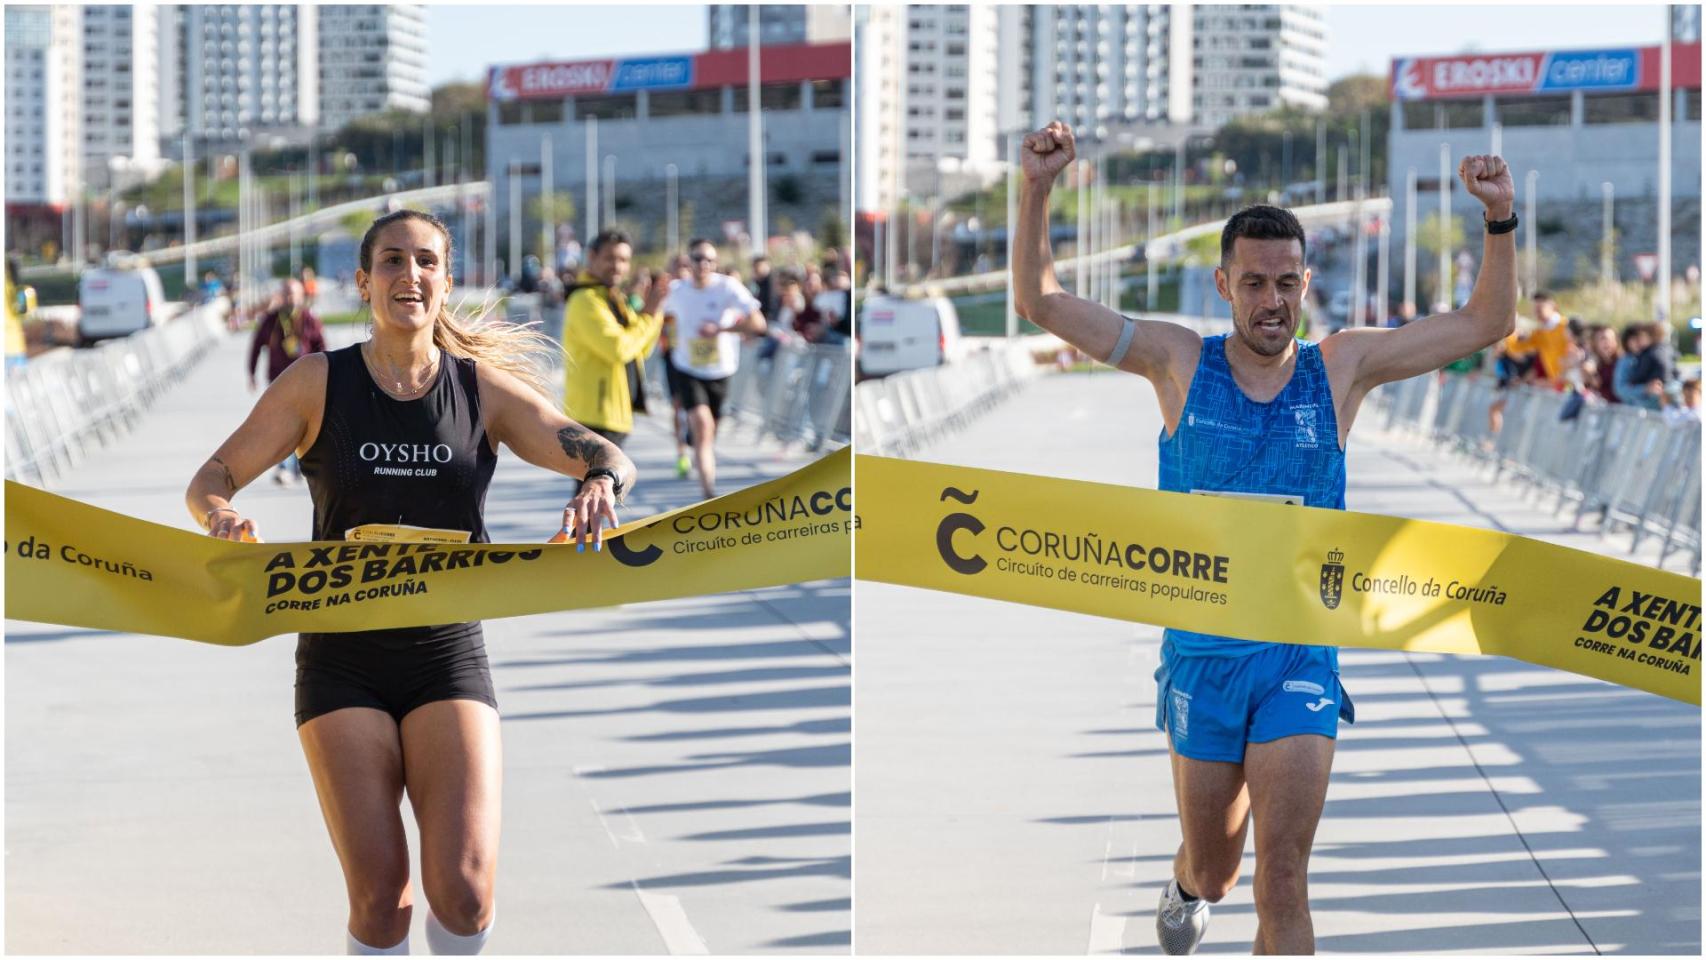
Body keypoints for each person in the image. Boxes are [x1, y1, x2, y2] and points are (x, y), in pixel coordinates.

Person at [1010, 121, 1517, 955]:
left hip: (1297, 656)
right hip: (1202, 659)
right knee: (1218, 873)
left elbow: (1484, 322)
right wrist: (1037, 189)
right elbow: (1042, 304)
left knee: (1283, 879)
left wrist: (1498, 219)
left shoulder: (1343, 367)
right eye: (1254, 283)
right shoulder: (1178, 363)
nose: (1273, 301)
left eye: (1287, 282)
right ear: (1224, 285)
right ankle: (1186, 882)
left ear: (1307, 282)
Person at [185, 209, 633, 956]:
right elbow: (213, 475)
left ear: (447, 282)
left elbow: (607, 455)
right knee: (382, 903)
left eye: (427, 261)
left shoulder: (479, 391)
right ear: (364, 282)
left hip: (445, 653)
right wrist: (219, 513)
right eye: (392, 261)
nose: (411, 275)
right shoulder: (317, 382)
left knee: (463, 892)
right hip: (341, 657)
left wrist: (600, 486)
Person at [661, 238, 766, 498]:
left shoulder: (728, 287)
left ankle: (698, 450)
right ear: (689, 261)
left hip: (721, 369)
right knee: (703, 425)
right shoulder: (677, 290)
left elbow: (758, 324)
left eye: (710, 259)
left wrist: (721, 329)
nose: (703, 264)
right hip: (687, 367)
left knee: (710, 432)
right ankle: (708, 492)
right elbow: (654, 315)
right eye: (698, 258)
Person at [561, 228, 668, 457]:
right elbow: (618, 349)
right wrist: (648, 316)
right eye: (610, 258)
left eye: (624, 260)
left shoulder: (612, 296)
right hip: (594, 416)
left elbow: (640, 349)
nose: (617, 266)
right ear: (592, 257)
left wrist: (653, 311)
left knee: (603, 491)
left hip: (616, 415)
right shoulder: (585, 300)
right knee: (596, 490)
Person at [248, 278, 328, 485]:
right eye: (286, 293)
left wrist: (327, 375)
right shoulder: (271, 320)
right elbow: (256, 345)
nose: (289, 298)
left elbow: (322, 347)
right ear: (280, 296)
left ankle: (296, 467)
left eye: (293, 293)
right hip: (278, 381)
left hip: (305, 382)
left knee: (301, 427)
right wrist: (251, 373)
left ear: (301, 296)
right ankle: (284, 467)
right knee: (281, 427)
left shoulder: (309, 318)